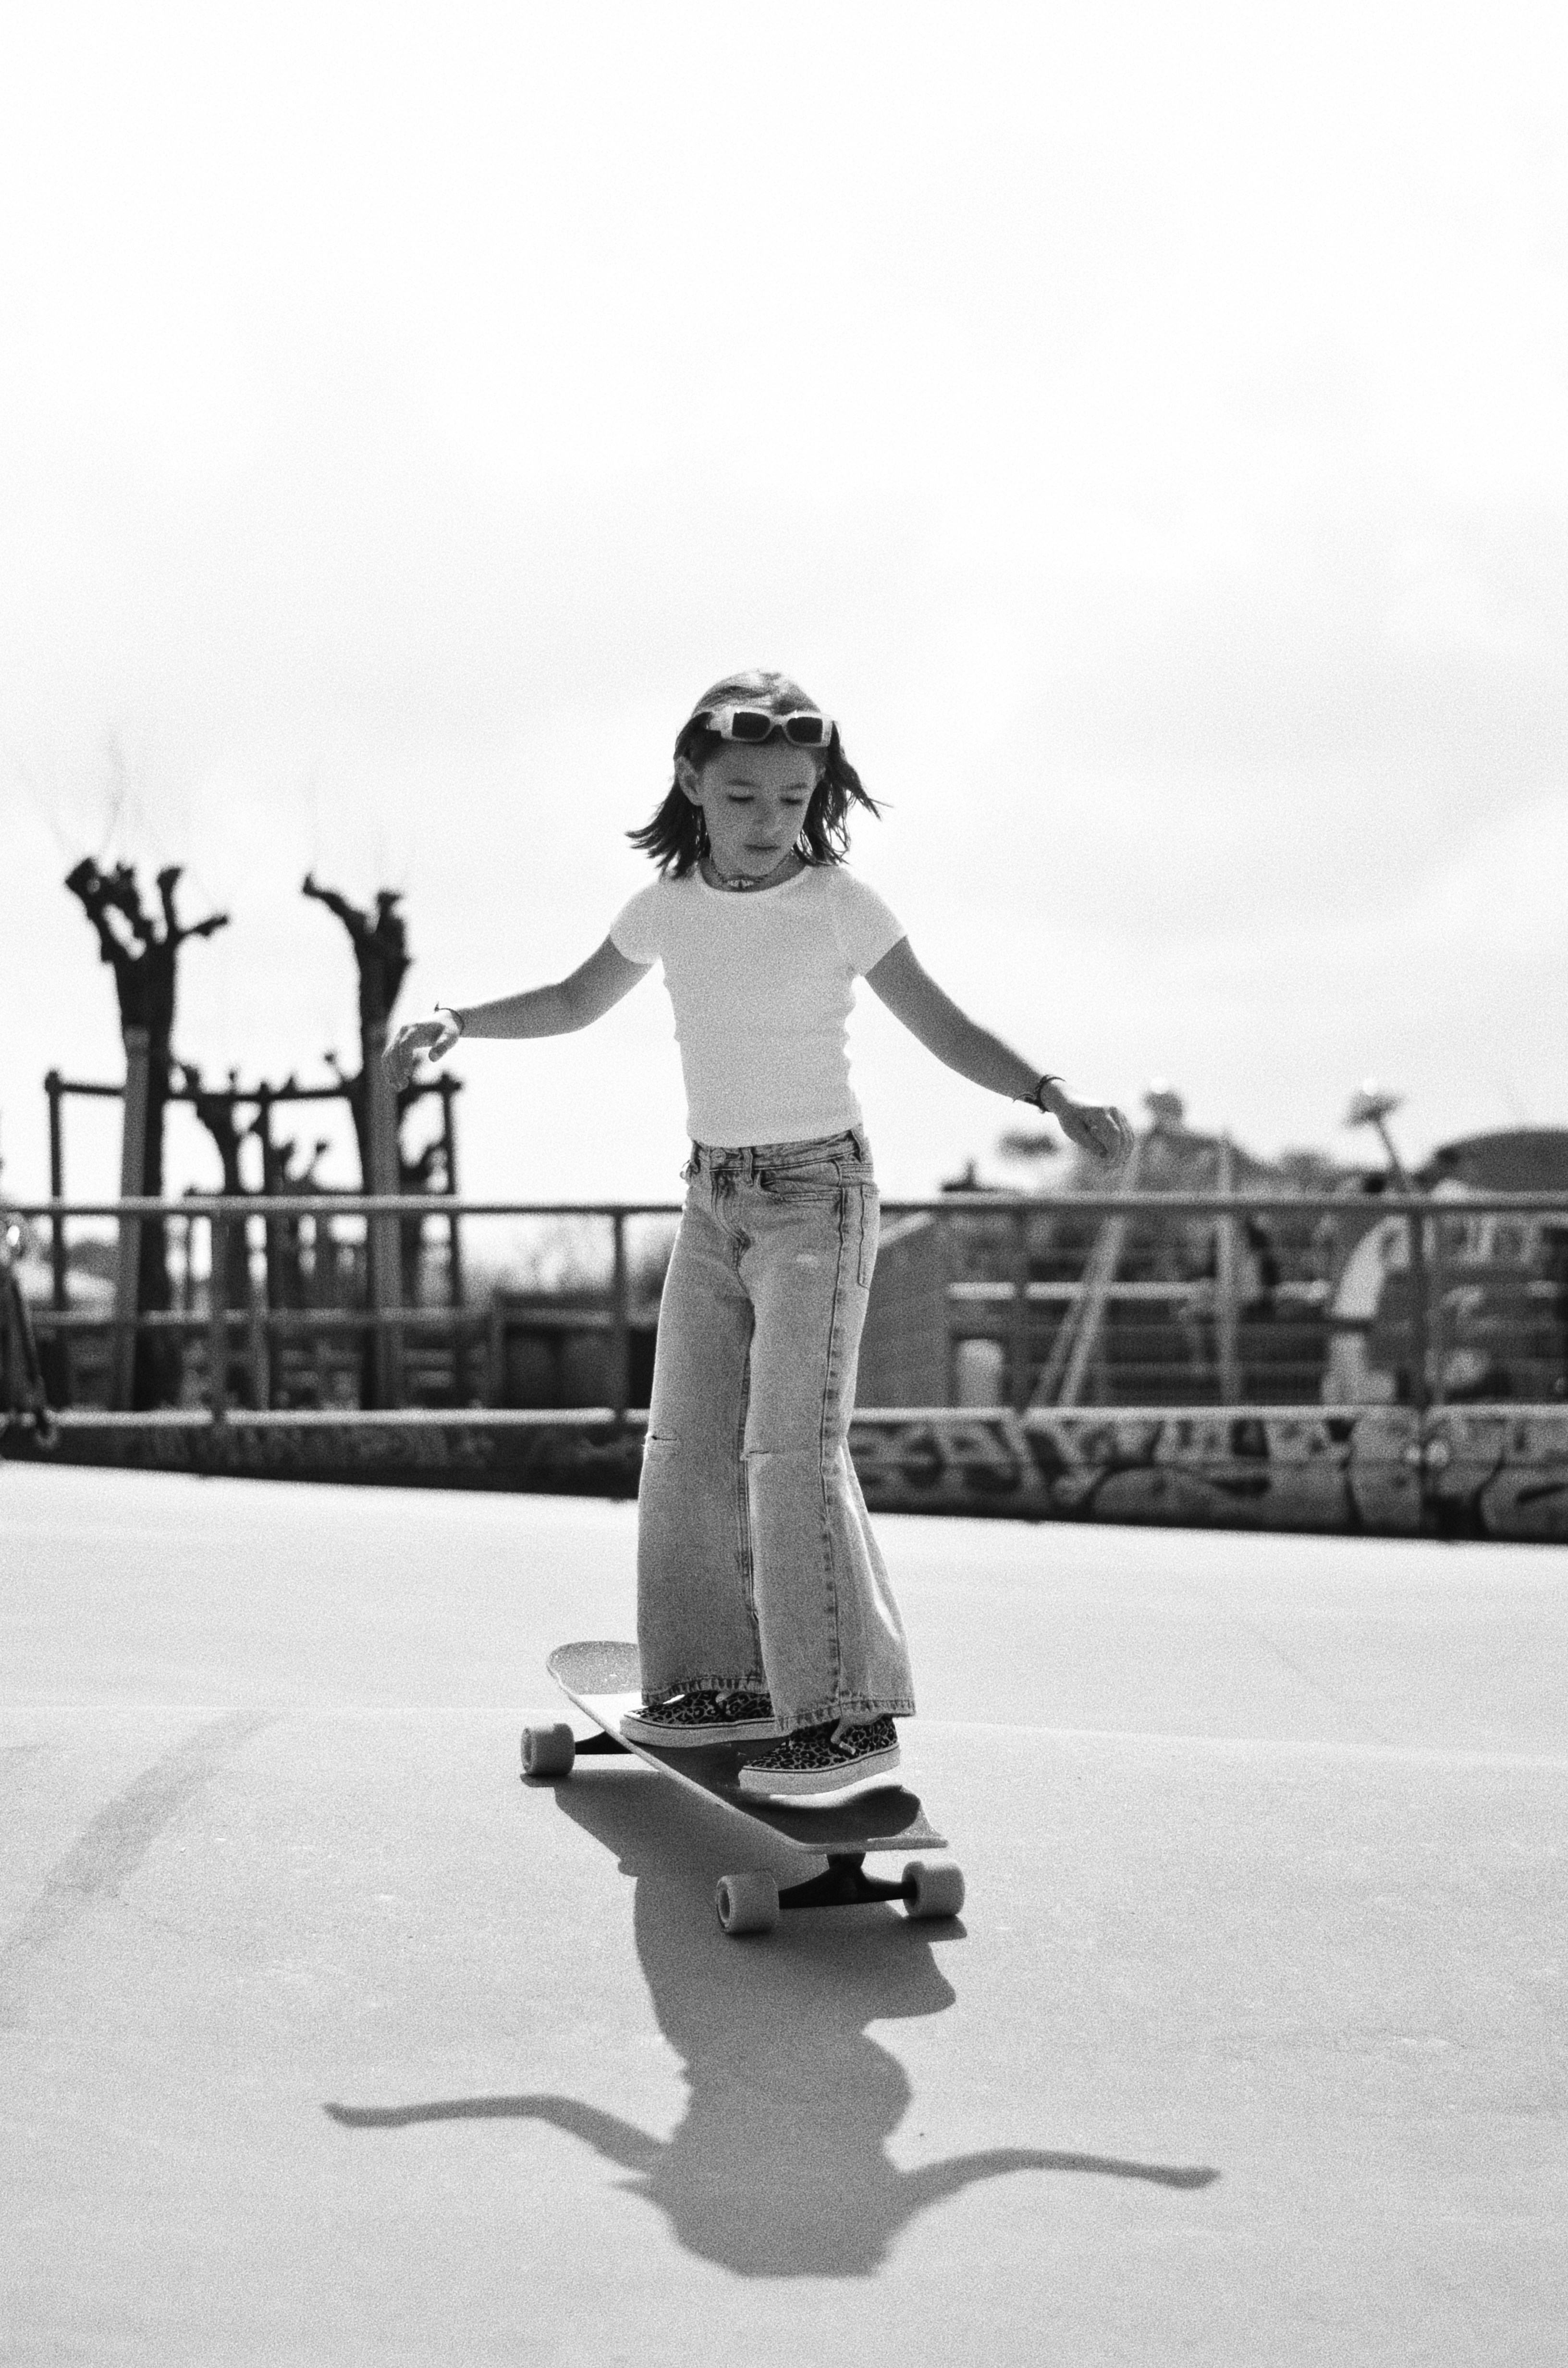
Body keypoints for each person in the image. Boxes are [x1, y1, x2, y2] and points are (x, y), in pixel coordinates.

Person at [385, 670, 1132, 1800]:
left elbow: (942, 1023)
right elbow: (577, 999)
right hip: (710, 1198)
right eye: (743, 796)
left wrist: (1050, 1089)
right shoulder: (668, 905)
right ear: (693, 782)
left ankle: (847, 1713)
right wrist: (461, 1019)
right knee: (684, 1443)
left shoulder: (840, 903)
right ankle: (717, 1681)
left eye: (791, 797)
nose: (768, 820)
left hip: (819, 1201)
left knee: (789, 1451)